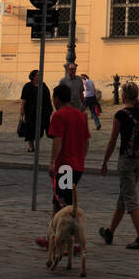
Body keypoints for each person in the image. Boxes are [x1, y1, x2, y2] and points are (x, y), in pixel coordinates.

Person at [36, 84, 90, 249]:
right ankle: (51, 236)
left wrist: (52, 162)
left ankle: (70, 242)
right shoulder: (80, 115)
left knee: (64, 205)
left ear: (57, 99)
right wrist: (81, 158)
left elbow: (57, 140)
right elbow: (87, 140)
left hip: (65, 166)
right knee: (57, 200)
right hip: (77, 166)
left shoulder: (59, 116)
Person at [99, 81, 139, 250]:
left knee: (130, 199)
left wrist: (105, 161)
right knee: (123, 197)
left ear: (123, 96)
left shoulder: (120, 115)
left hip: (127, 161)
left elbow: (113, 141)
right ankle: (110, 232)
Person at [19, 69, 52, 152]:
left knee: (40, 130)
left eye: (40, 75)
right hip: (30, 112)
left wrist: (49, 110)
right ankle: (31, 147)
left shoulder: (43, 85)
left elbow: (48, 98)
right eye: (37, 75)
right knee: (30, 130)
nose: (39, 76)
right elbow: (23, 99)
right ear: (33, 76)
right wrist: (22, 109)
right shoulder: (27, 86)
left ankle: (36, 144)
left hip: (42, 112)